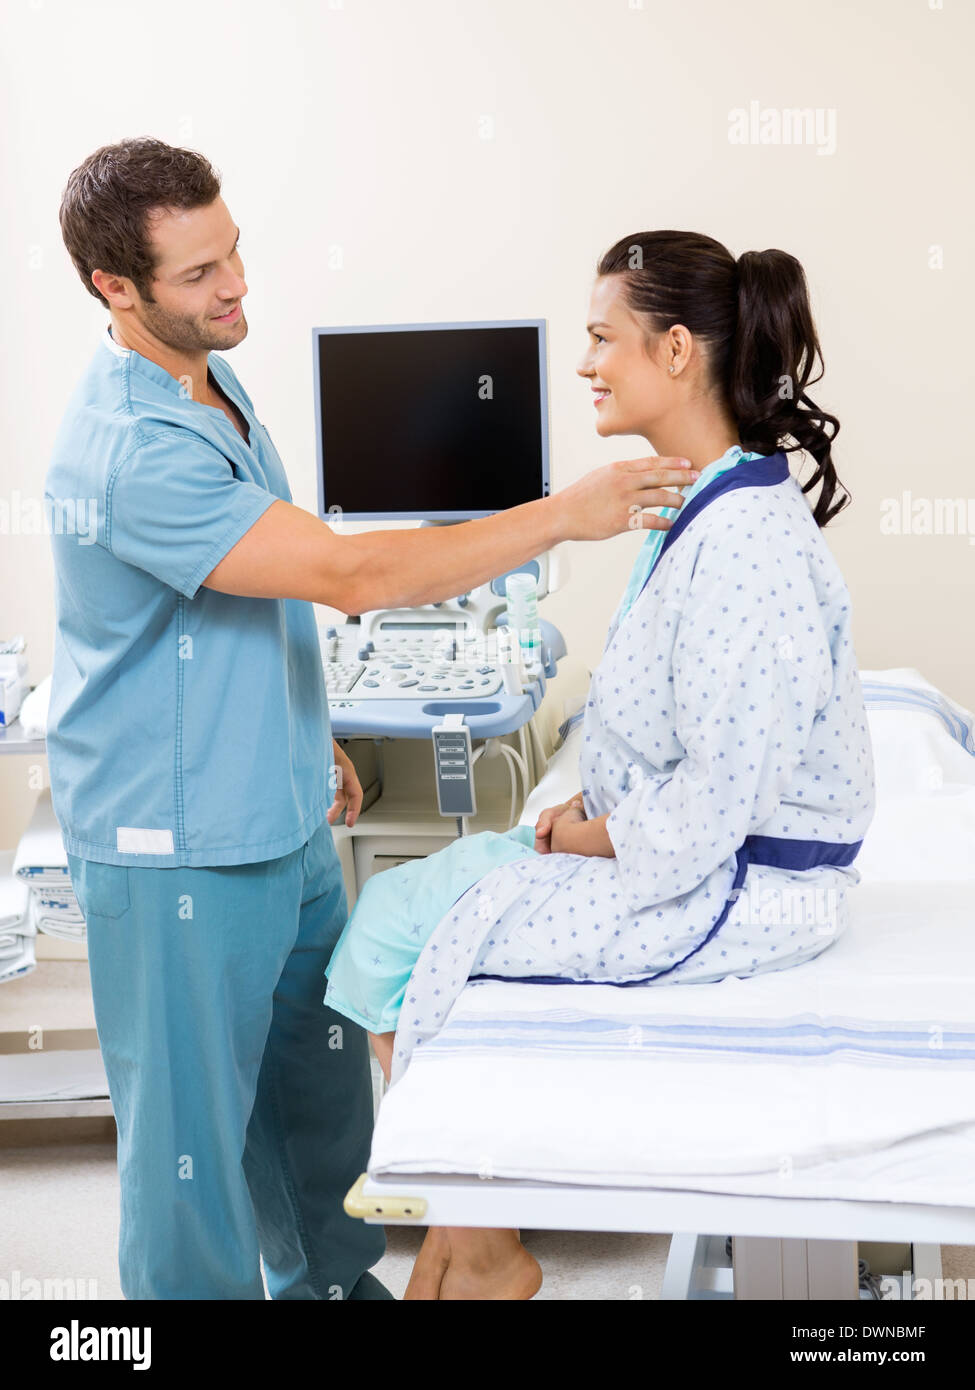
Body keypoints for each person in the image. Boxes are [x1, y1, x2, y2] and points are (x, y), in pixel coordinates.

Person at [45, 139, 695, 1300]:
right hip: (177, 850)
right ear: (117, 290)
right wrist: (563, 514)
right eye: (200, 275)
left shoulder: (214, 380)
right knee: (189, 1166)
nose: (237, 284)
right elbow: (348, 576)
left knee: (321, 1129)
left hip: (281, 817)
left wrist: (307, 731)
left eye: (233, 249)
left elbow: (254, 594)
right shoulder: (130, 447)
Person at [323, 229, 877, 1299]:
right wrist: (596, 796)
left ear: (676, 352)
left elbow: (719, 796)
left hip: (741, 886)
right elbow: (689, 726)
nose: (584, 364)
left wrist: (588, 831)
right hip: (687, 844)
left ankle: (481, 1245)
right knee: (402, 909)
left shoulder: (745, 540)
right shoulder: (705, 506)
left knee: (402, 922)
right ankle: (467, 1236)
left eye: (601, 338)